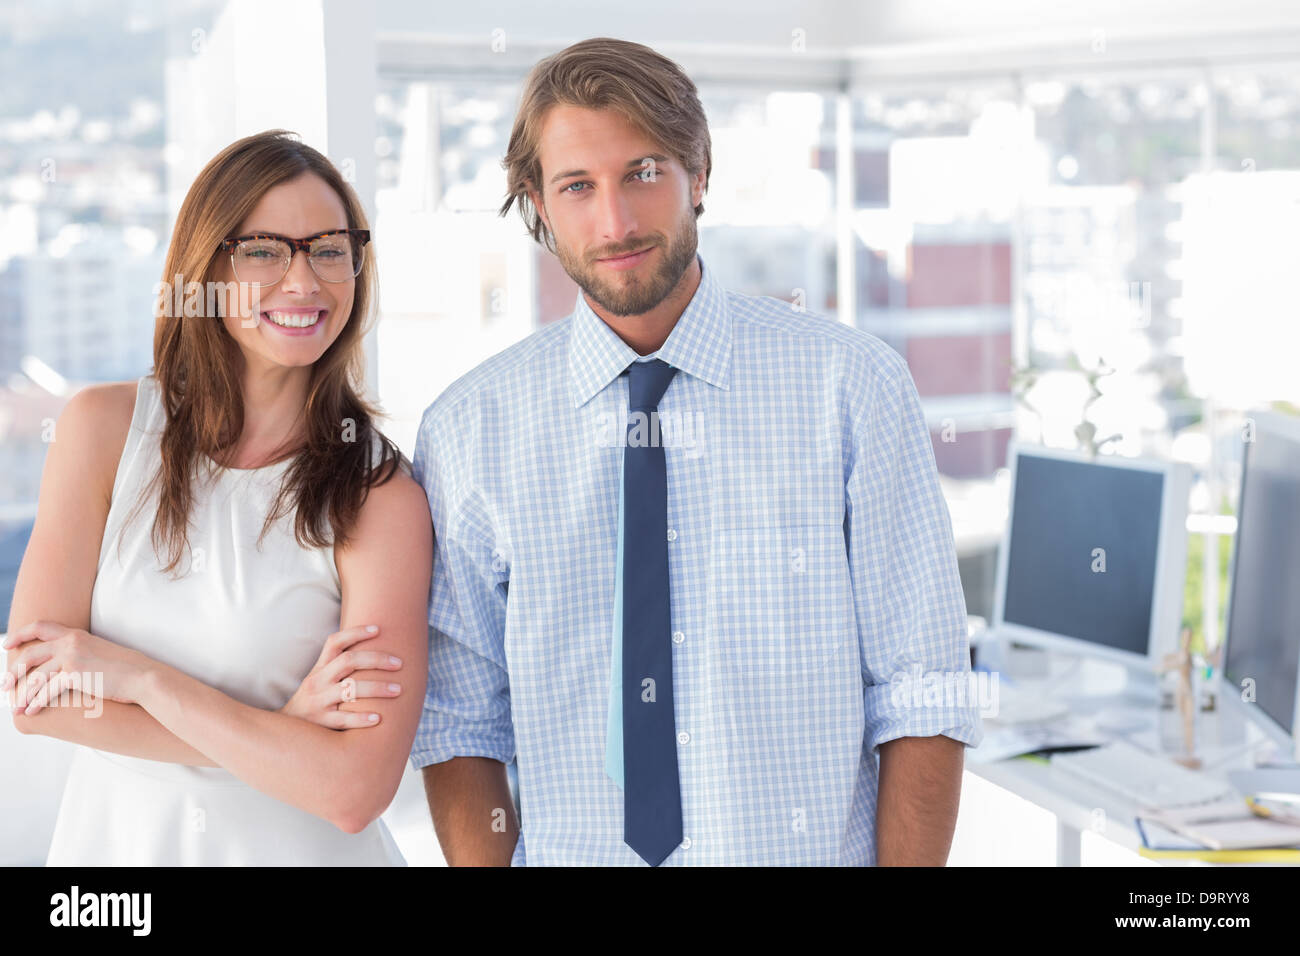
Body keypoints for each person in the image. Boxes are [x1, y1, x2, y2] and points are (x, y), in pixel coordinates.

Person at [411, 37, 984, 866]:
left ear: (699, 173)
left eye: (643, 173)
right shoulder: (468, 431)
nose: (615, 222)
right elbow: (461, 722)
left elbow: (923, 693)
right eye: (578, 187)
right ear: (538, 203)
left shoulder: (852, 387)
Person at [3, 130, 431, 866]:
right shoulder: (103, 431)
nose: (304, 282)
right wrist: (278, 733)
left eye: (329, 249)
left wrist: (142, 680)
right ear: (207, 265)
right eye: (264, 250)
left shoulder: (377, 494)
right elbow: (39, 695)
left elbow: (353, 790)